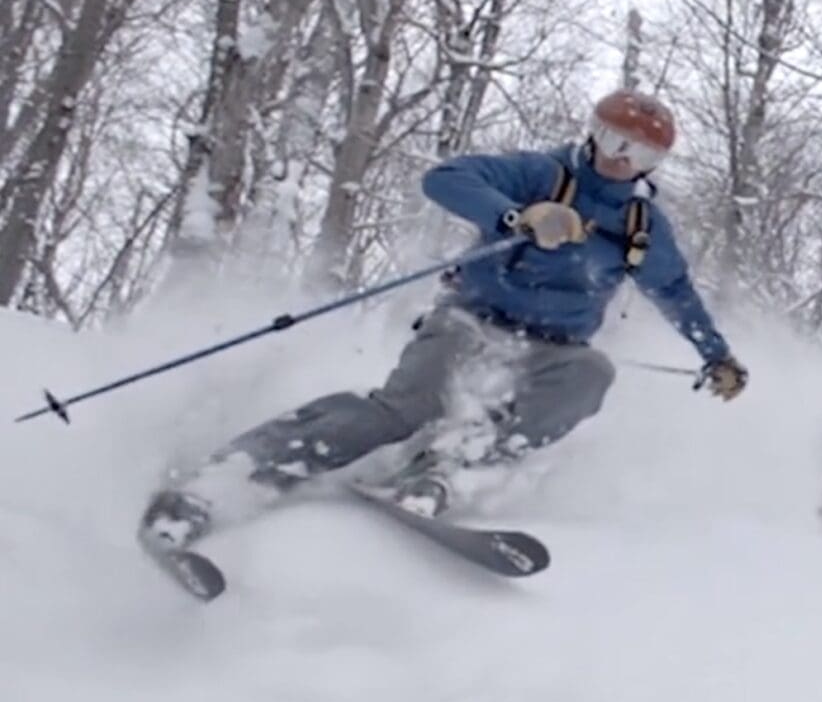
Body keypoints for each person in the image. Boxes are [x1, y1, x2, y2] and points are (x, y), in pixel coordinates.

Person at [141, 89, 746, 548]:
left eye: (638, 151)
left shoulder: (642, 226)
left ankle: (443, 475)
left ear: (654, 163)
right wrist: (518, 217)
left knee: (592, 374)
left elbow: (674, 289)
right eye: (612, 139)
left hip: (554, 349)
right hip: (472, 319)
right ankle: (229, 474)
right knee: (404, 409)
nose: (619, 158)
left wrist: (714, 354)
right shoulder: (542, 173)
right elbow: (446, 178)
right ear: (591, 133)